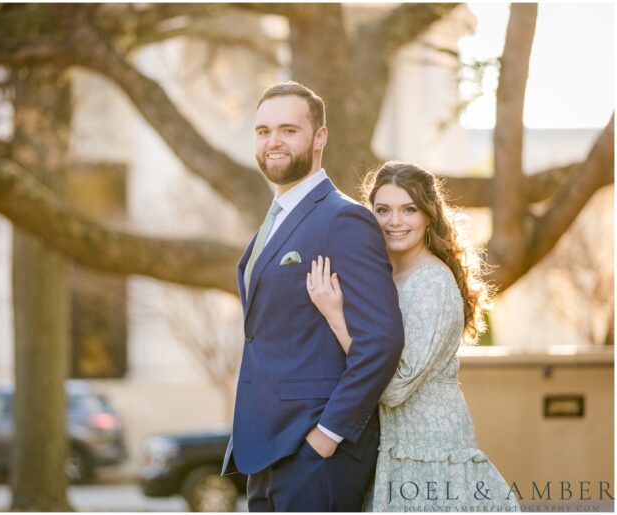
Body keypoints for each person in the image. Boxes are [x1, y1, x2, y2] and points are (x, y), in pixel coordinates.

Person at [220, 81, 405, 511]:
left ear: (319, 137)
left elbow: (381, 341)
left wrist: (328, 434)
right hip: (265, 449)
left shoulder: (343, 220)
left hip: (316, 454)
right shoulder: (277, 219)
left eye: (288, 129)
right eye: (263, 131)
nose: (273, 142)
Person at [306, 161, 520, 511]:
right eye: (383, 210)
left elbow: (393, 386)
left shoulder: (431, 283)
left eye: (409, 209)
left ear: (428, 216)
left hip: (430, 449)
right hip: (394, 446)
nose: (395, 221)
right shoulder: (384, 277)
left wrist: (334, 314)